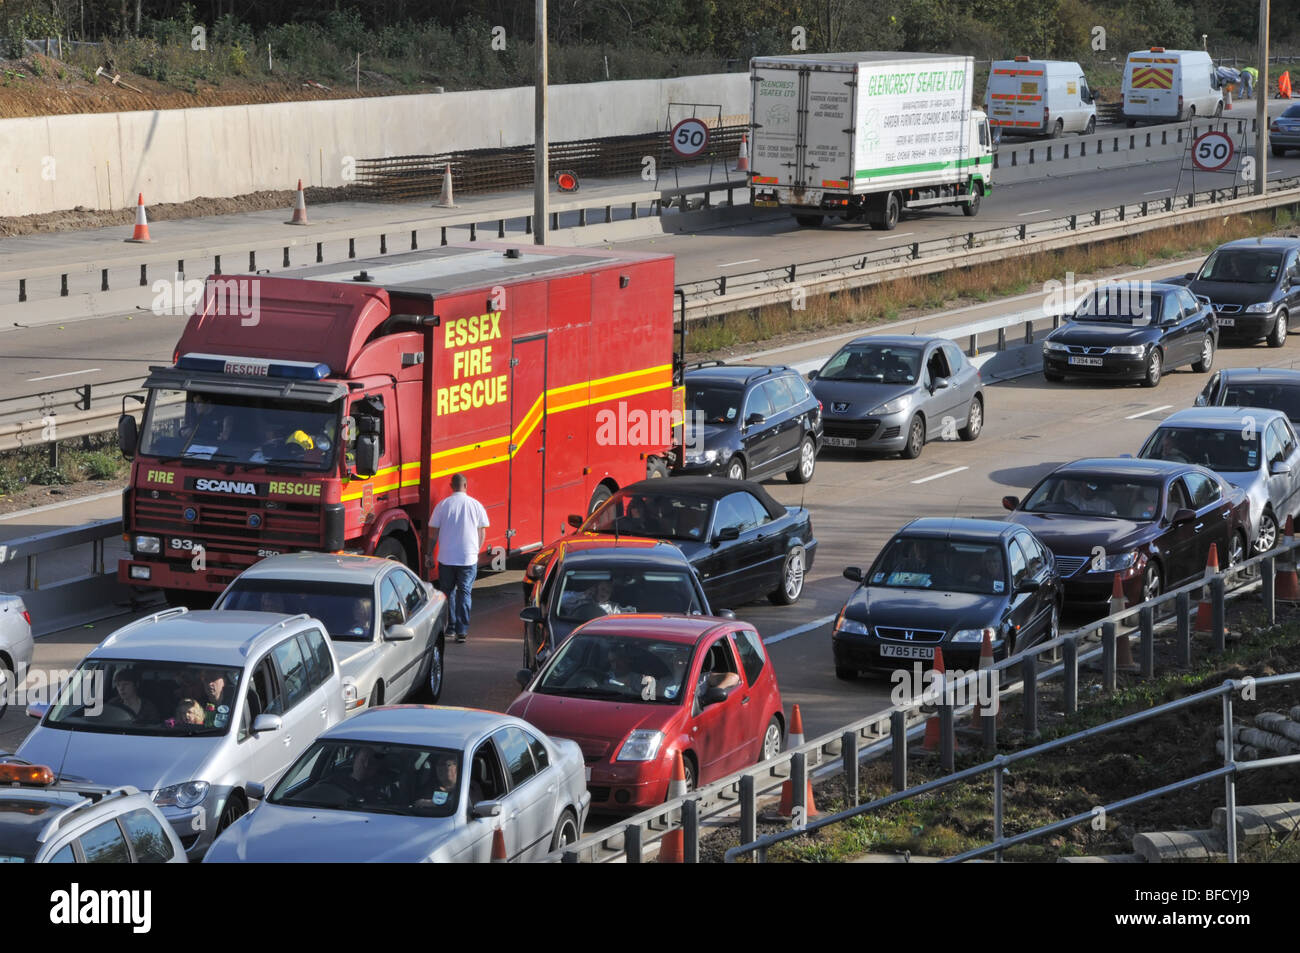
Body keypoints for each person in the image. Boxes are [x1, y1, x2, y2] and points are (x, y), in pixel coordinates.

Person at [429, 473, 489, 643]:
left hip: (446, 558)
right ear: (466, 486)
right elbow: (482, 531)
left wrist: (428, 554)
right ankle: (462, 631)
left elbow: (433, 533)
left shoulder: (442, 505)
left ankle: (451, 627)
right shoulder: (475, 505)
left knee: (448, 593)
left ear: (451, 485)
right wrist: (475, 550)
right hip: (468, 559)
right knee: (465, 592)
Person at [333, 746, 400, 803]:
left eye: (371, 762)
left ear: (377, 767)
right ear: (355, 759)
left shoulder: (387, 788)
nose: (366, 765)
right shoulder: (336, 782)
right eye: (362, 760)